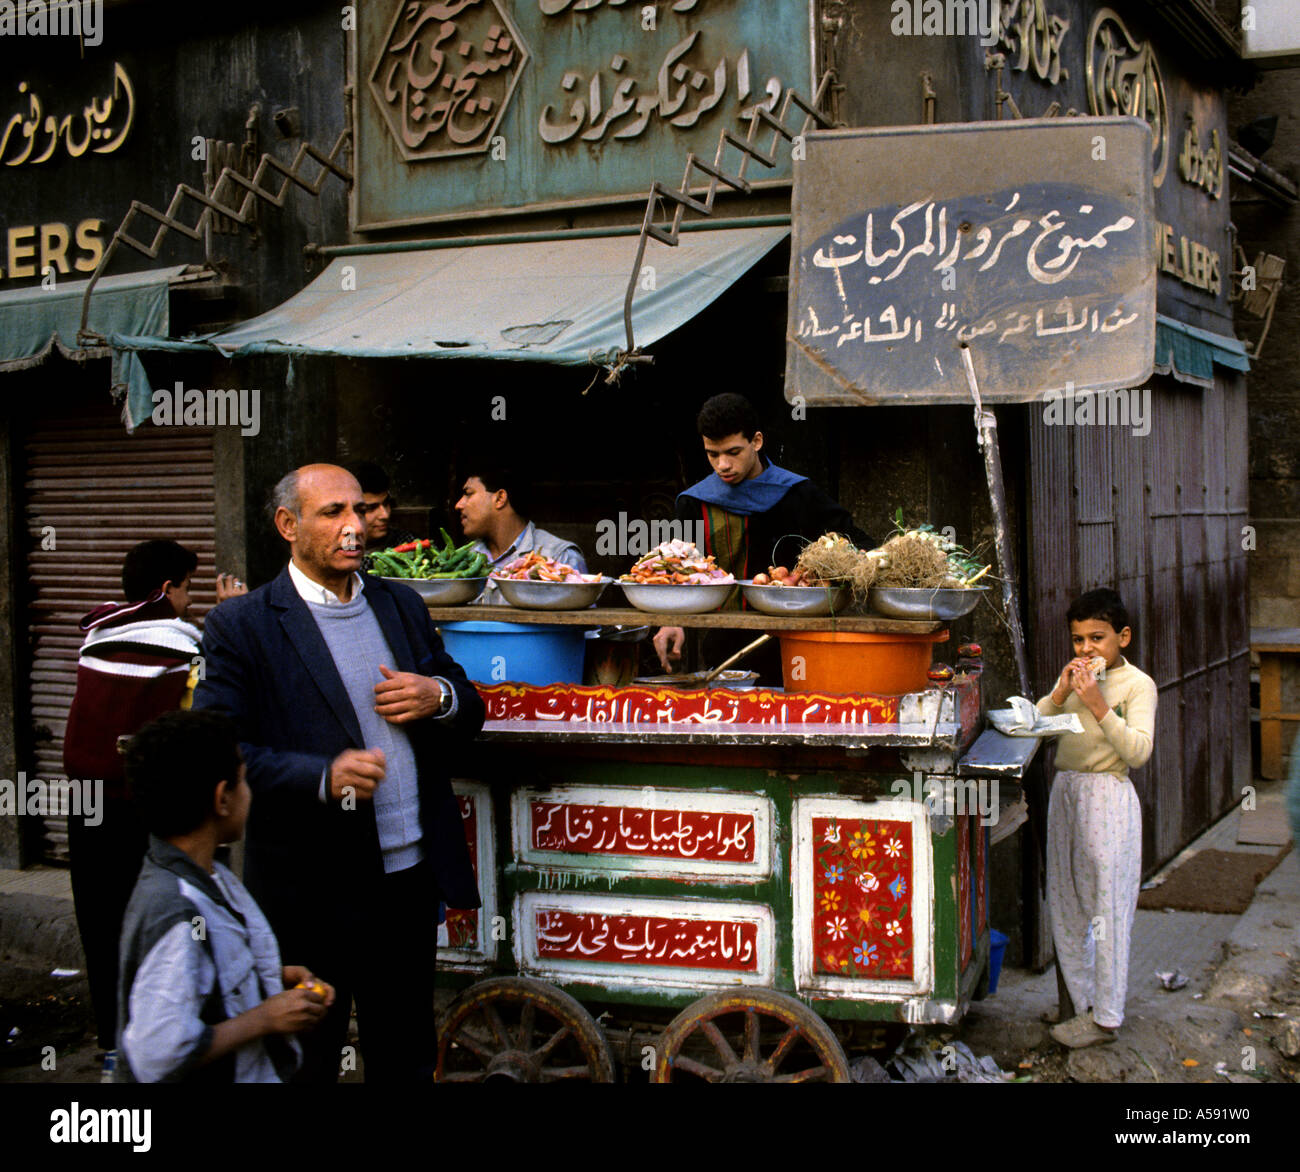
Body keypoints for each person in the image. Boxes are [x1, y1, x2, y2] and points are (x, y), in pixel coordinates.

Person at [193, 463, 483, 1082]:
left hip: (406, 881)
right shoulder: (242, 625)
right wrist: (322, 777)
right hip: (310, 889)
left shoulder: (400, 604)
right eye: (334, 514)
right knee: (309, 1058)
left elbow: (465, 696)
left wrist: (439, 694)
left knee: (404, 1051)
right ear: (287, 524)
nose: (355, 527)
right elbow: (217, 748)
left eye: (359, 510)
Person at [116, 709, 334, 1082]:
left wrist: (268, 977)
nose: (249, 794)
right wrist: (264, 1018)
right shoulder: (175, 909)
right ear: (222, 799)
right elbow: (159, 1053)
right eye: (244, 782)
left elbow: (198, 976)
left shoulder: (204, 875)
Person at [62, 538, 203, 1079]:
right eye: (188, 589)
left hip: (85, 803)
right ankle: (156, 1045)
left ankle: (115, 1044)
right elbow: (195, 719)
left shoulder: (98, 638)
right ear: (167, 590)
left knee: (102, 923)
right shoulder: (178, 647)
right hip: (141, 809)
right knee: (156, 926)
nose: (192, 603)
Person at [654, 393, 872, 678]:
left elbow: (856, 543)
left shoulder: (798, 493)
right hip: (726, 646)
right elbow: (675, 571)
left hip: (799, 643)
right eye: (712, 454)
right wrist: (671, 621)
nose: (723, 465)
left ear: (756, 441)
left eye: (733, 452)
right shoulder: (695, 502)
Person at [1035, 587, 1157, 1049]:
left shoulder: (1137, 685)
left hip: (1108, 796)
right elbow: (1037, 727)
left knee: (1107, 909)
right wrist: (1061, 692)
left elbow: (1139, 752)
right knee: (1066, 905)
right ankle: (1082, 1004)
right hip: (1066, 790)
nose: (1087, 650)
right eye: (1079, 639)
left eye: (1098, 638)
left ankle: (1107, 1017)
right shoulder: (1074, 680)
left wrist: (1099, 706)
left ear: (1123, 637)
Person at [455, 464, 587, 605]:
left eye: (468, 494)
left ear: (500, 498)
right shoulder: (465, 560)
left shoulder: (560, 557)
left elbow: (583, 624)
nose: (458, 505)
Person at [348, 459, 417, 551]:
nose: (385, 515)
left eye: (386, 503)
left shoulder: (409, 544)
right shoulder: (336, 551)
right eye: (370, 508)